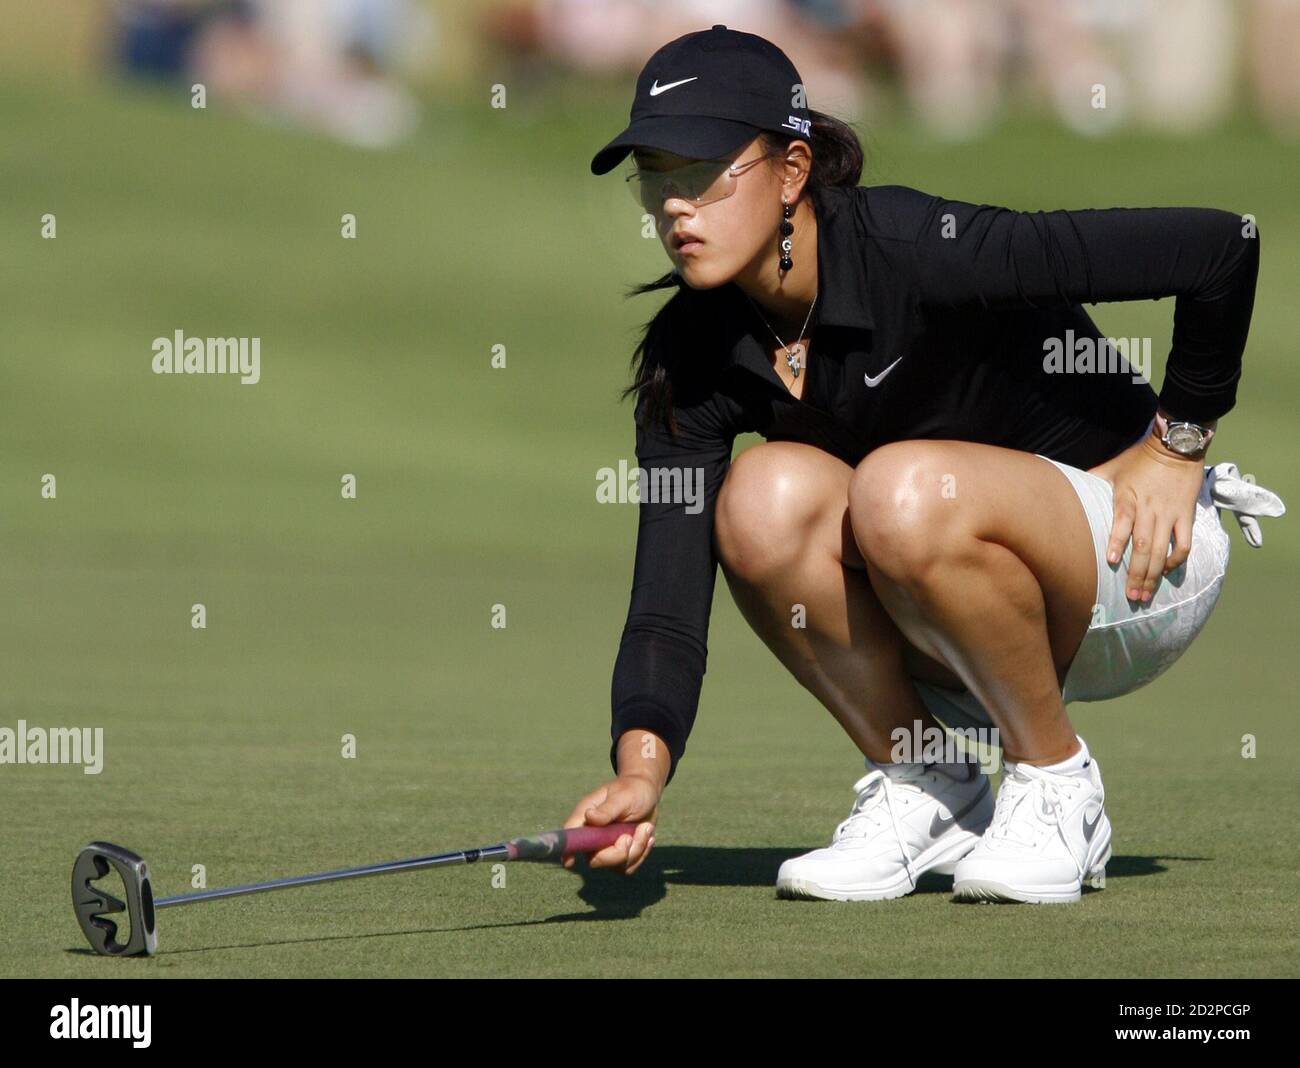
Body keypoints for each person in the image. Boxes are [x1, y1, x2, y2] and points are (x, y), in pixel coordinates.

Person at [563, 24, 1284, 903]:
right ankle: (929, 779)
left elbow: (1221, 247)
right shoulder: (693, 353)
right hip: (958, 609)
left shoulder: (922, 246)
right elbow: (665, 602)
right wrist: (642, 769)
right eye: (656, 180)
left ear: (792, 171)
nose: (675, 207)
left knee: (902, 487)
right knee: (760, 496)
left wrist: (1178, 445)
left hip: (1140, 561)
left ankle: (1058, 785)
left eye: (702, 173)